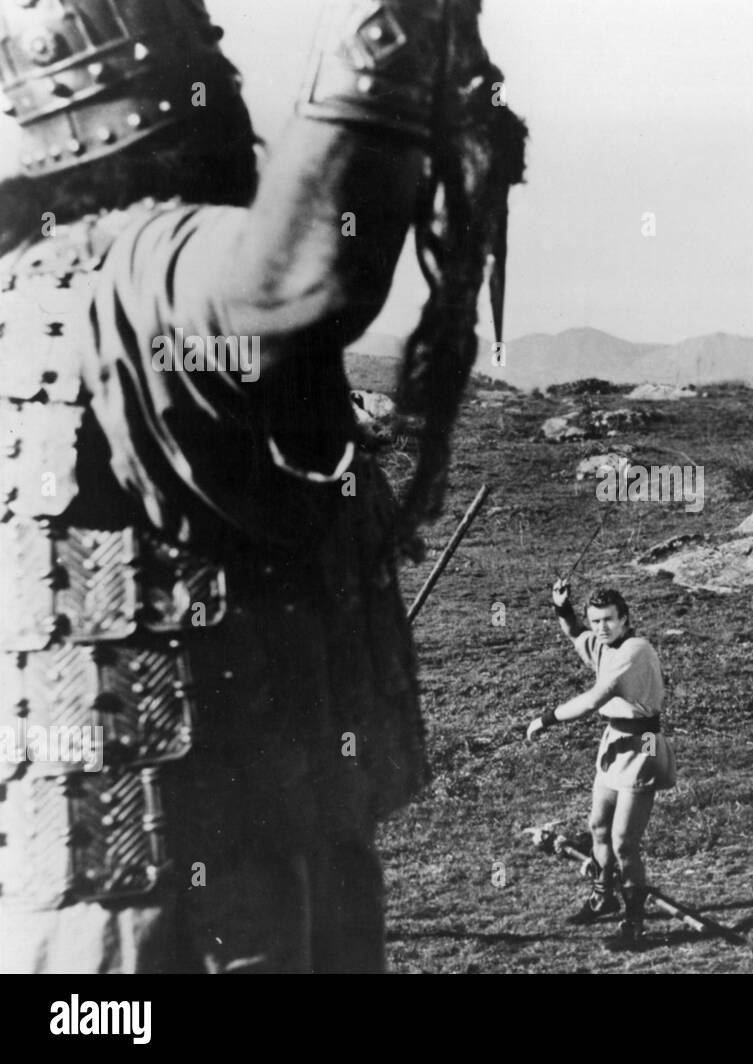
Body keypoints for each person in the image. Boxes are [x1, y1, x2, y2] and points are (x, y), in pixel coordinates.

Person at [0, 0, 519, 973]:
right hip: (170, 935)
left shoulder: (44, 285)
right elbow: (303, 269)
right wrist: (397, 32)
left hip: (145, 912)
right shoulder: (142, 265)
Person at [528, 579, 677, 951]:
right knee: (598, 827)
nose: (601, 627)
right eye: (596, 620)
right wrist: (562, 607)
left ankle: (634, 925)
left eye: (609, 620)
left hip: (642, 743)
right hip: (614, 740)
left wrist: (546, 718)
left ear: (625, 619)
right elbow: (576, 633)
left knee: (625, 842)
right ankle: (603, 896)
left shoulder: (636, 649)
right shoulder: (603, 645)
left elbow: (594, 698)